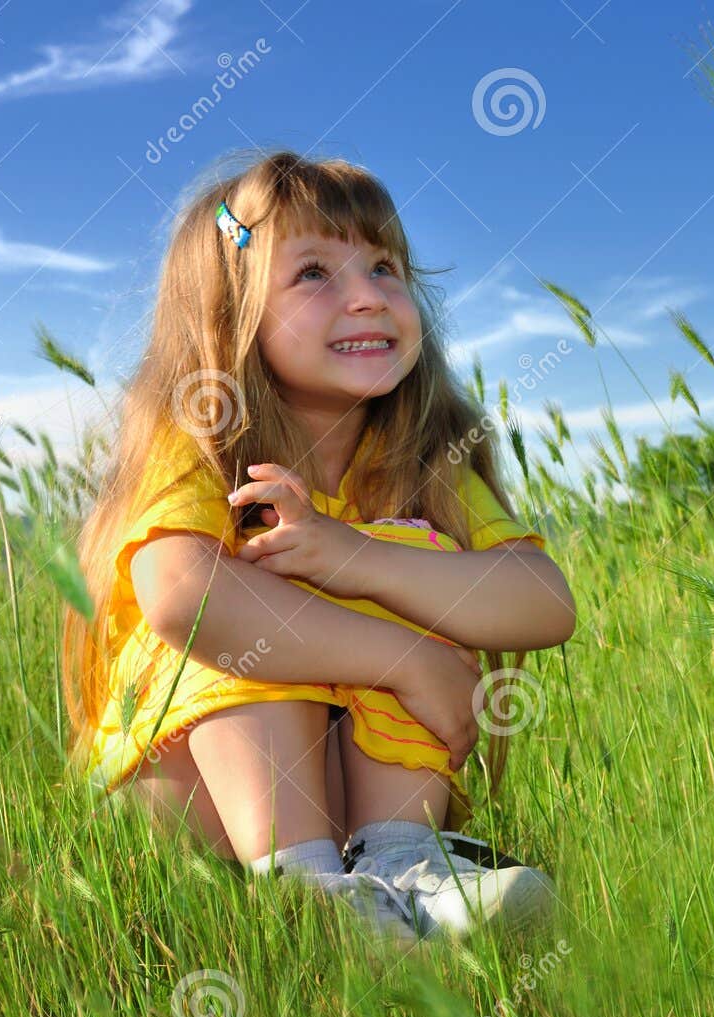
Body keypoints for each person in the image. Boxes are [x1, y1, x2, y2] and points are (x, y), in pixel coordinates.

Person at [60, 150, 576, 945]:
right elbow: (180, 594)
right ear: (231, 314)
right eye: (313, 275)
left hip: (355, 810)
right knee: (241, 592)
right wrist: (403, 657)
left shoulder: (419, 453)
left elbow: (544, 601)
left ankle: (405, 868)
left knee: (415, 559)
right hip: (190, 799)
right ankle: (310, 899)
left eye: (383, 266)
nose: (368, 296)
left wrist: (355, 557)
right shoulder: (198, 430)